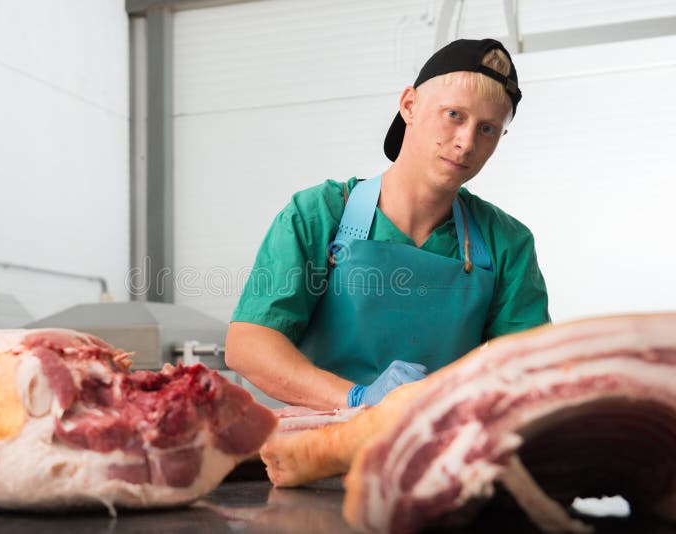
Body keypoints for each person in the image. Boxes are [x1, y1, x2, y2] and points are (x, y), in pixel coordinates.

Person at [225, 38, 550, 410]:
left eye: (488, 129)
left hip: (439, 451)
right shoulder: (320, 214)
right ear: (409, 105)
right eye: (454, 115)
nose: (466, 142)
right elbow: (249, 343)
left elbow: (532, 372)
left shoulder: (505, 242)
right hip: (322, 448)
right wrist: (357, 400)